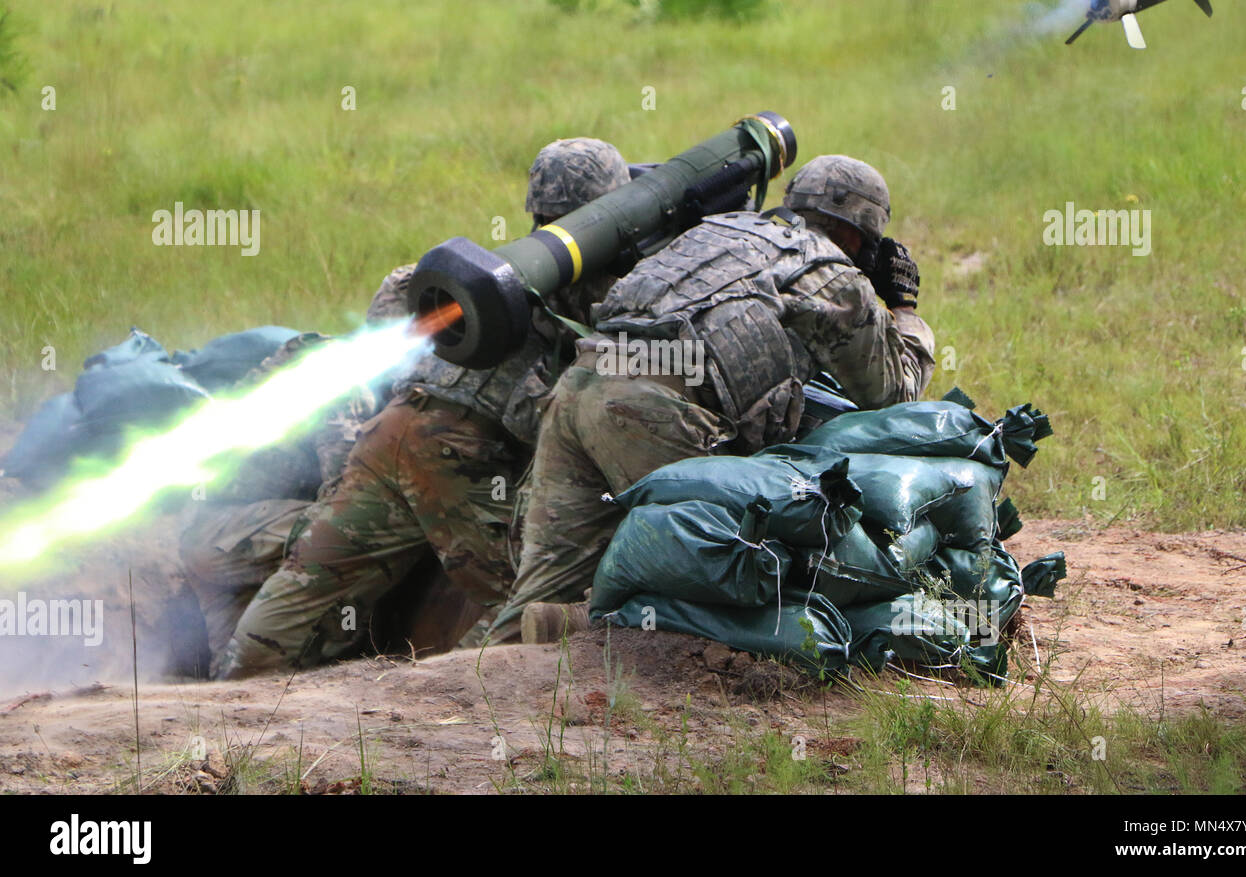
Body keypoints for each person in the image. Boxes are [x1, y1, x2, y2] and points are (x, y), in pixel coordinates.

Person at [202, 138, 632, 679]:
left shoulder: (499, 270)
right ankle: (439, 698)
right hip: (457, 456)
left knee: (293, 606)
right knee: (532, 599)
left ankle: (223, 696)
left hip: (390, 435)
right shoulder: (597, 290)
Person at [491, 155, 937, 643]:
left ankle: (470, 694)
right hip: (654, 412)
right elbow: (894, 390)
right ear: (860, 235)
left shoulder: (720, 229)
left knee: (545, 583)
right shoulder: (832, 277)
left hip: (582, 383)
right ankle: (584, 626)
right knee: (734, 567)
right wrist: (902, 307)